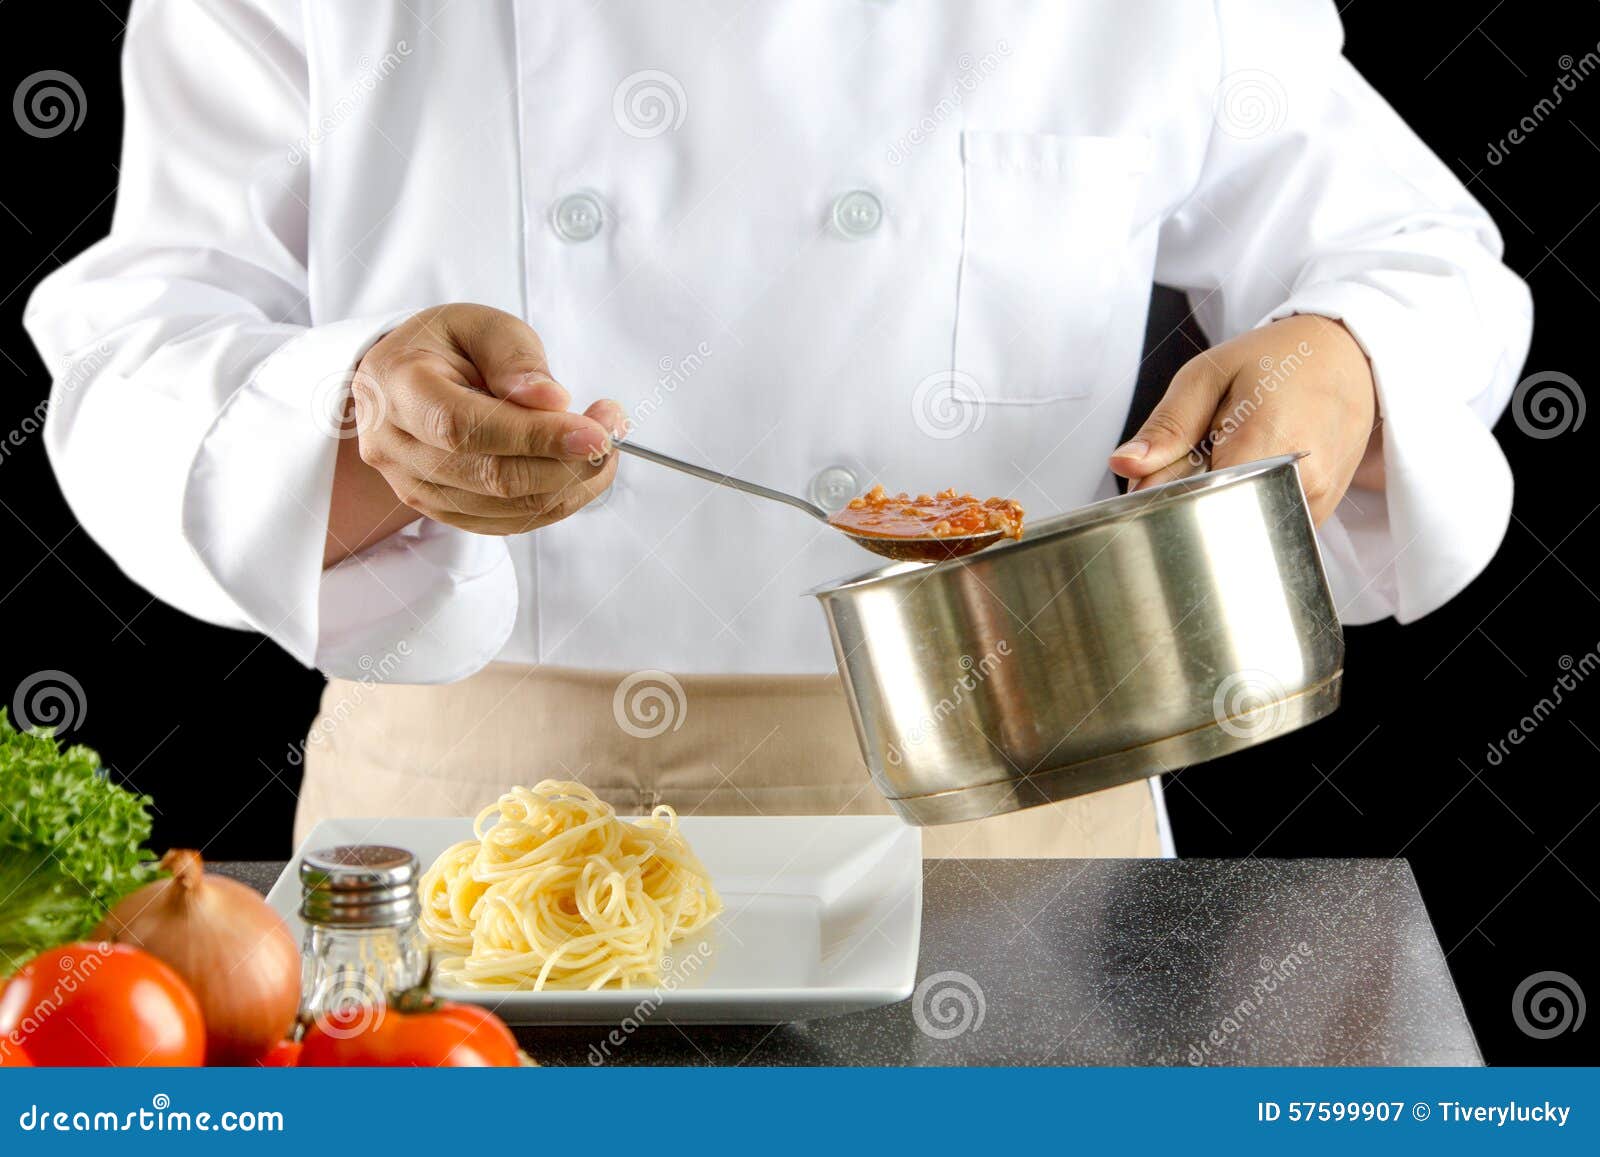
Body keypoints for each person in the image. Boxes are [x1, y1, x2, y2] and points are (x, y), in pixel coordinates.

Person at [26, 1, 1530, 856]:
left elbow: (1421, 263)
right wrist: (362, 425)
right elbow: (141, 341)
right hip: (471, 839)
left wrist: (1335, 361)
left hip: (1009, 820)